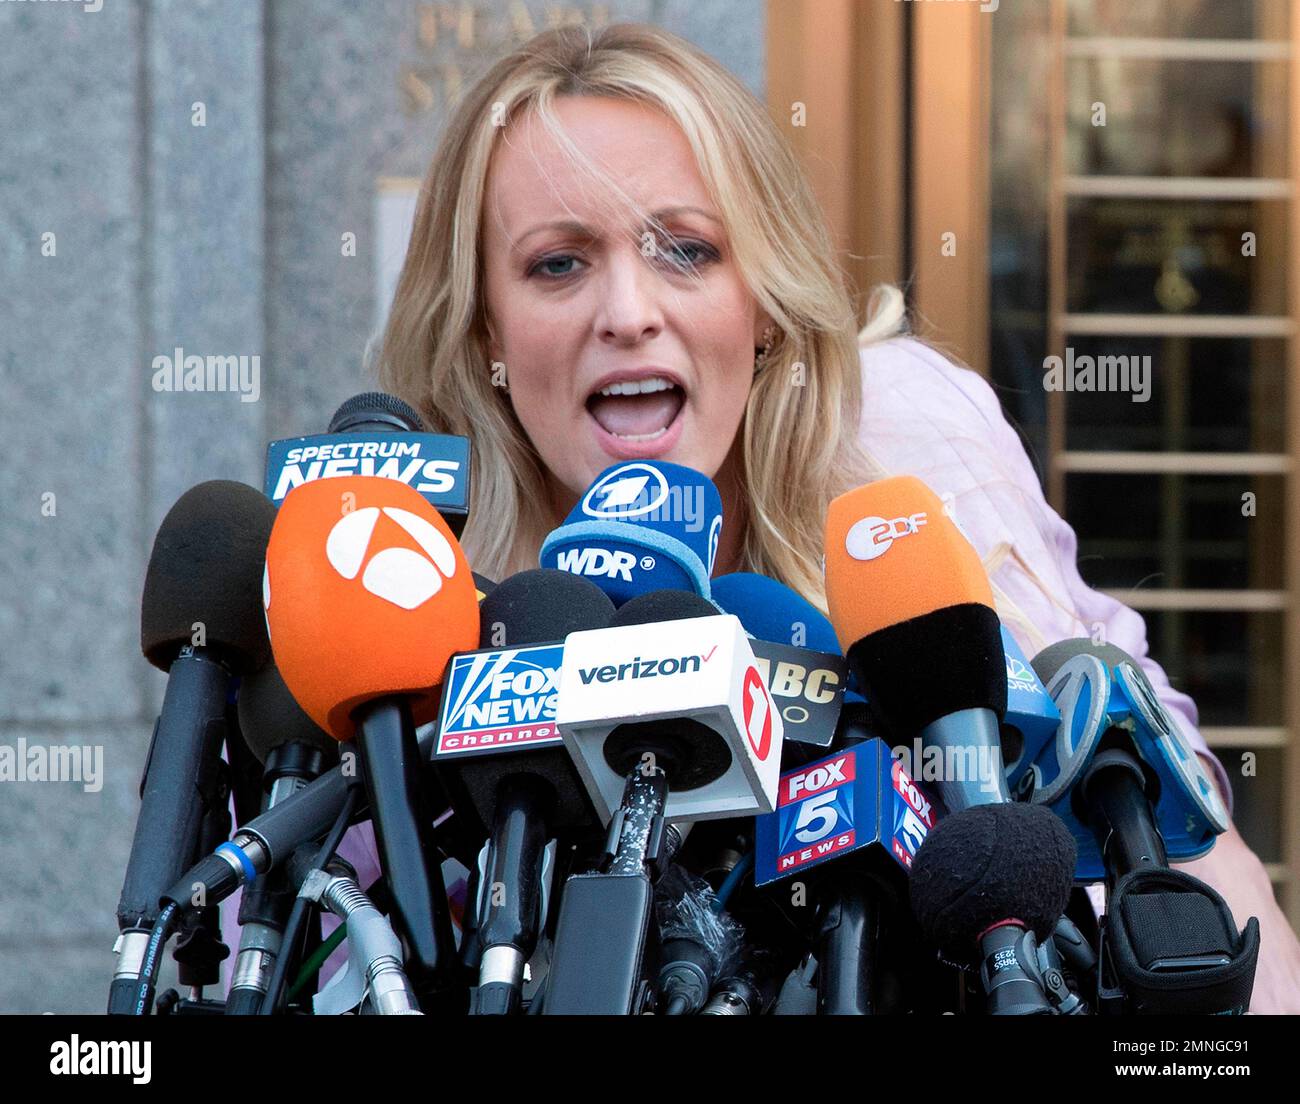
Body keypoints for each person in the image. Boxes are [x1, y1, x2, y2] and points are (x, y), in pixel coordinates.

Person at [365, 22, 1300, 1011]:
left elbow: (1169, 848)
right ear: (484, 330)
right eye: (558, 264)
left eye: (685, 248)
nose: (628, 311)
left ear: (761, 301)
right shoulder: (424, 600)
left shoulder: (900, 434)